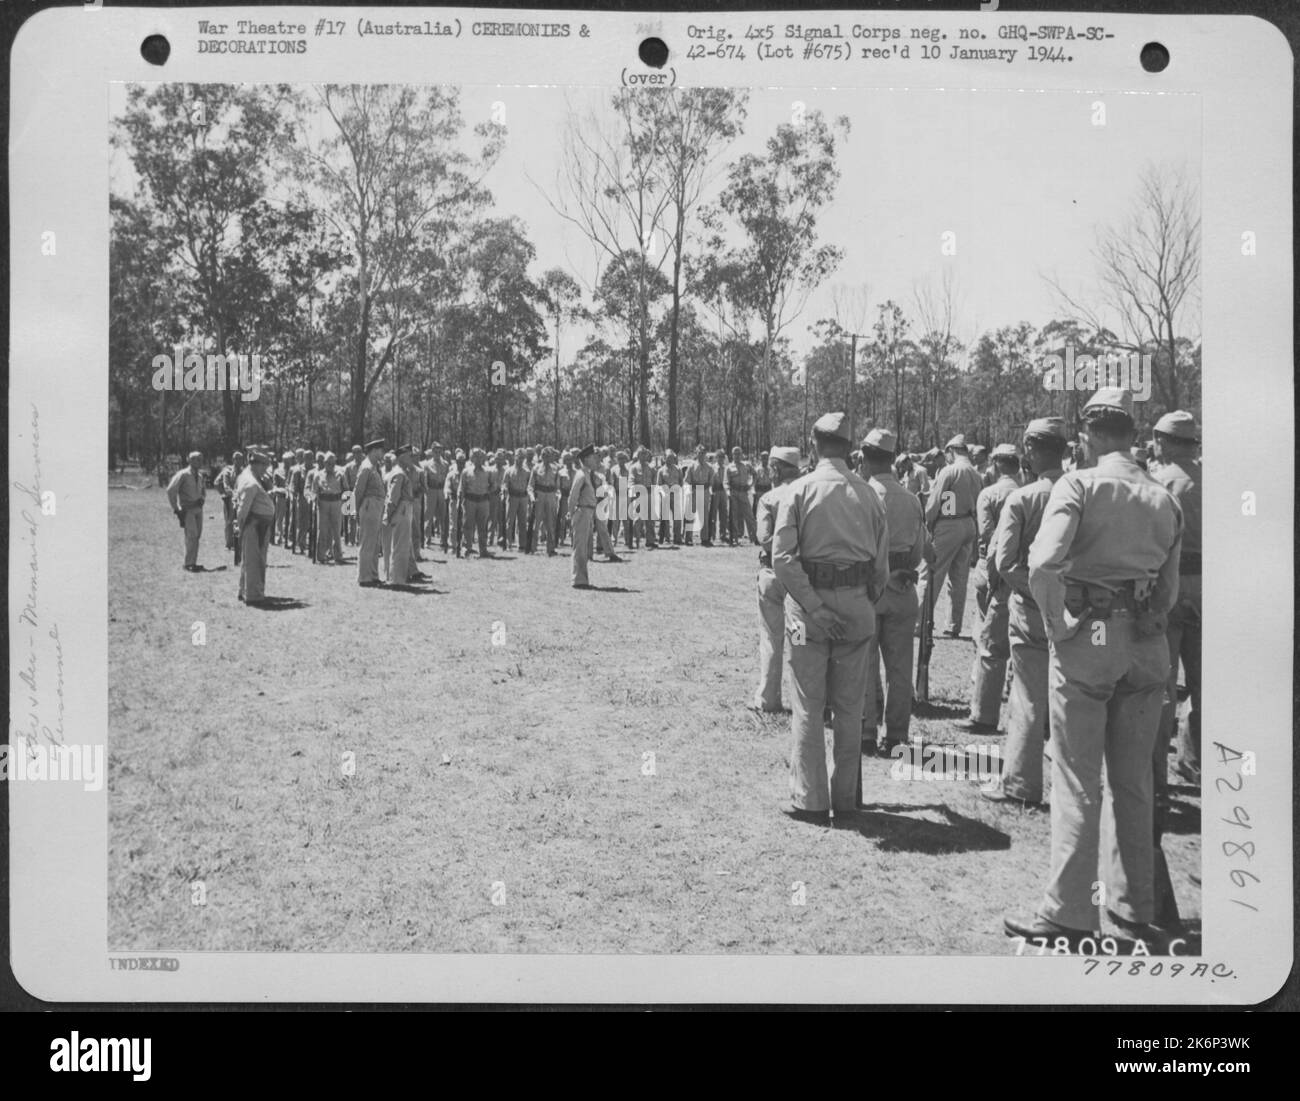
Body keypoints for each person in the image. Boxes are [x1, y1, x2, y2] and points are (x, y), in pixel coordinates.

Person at [1005, 389, 1182, 946]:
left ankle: (1067, 911)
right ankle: (1133, 903)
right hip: (1145, 644)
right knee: (1133, 782)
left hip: (1091, 638)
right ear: (1133, 435)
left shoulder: (1078, 484)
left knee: (1079, 780)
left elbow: (1042, 562)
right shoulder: (1163, 496)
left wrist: (1060, 625)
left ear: (1087, 433)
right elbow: (1169, 591)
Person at [772, 413, 889, 824]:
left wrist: (816, 606)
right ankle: (847, 800)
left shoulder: (799, 490)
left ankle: (811, 800)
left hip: (808, 610)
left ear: (813, 443)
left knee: (808, 702)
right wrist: (857, 599)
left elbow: (782, 558)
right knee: (850, 706)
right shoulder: (869, 493)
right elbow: (881, 566)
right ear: (850, 445)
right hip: (856, 605)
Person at [981, 418, 1069, 807]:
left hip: (1032, 610)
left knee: (1028, 695)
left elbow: (1005, 561)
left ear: (1030, 451)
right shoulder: (1088, 491)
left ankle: (1020, 782)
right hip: (1081, 612)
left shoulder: (1025, 497)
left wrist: (1036, 592)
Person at [858, 429, 929, 756]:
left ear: (864, 457)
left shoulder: (861, 494)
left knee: (864, 664)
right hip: (902, 587)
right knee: (900, 669)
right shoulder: (911, 499)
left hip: (869, 587)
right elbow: (918, 552)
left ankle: (866, 733)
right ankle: (897, 735)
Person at [1149, 411, 1201, 787]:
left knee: (1160, 680)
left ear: (1163, 441)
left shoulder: (1158, 482)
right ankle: (1194, 761)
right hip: (1209, 588)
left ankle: (1153, 767)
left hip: (1169, 583)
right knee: (1203, 682)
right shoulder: (1216, 479)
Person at [957, 443, 1022, 734]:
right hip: (1024, 573)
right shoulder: (1028, 491)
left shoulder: (990, 493)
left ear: (995, 464)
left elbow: (986, 534)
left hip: (993, 567)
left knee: (988, 638)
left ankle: (983, 703)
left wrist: (991, 570)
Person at [751, 446, 802, 712]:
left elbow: (764, 538)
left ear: (775, 469)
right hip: (802, 579)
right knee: (800, 637)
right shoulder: (810, 494)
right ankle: (802, 696)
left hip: (772, 572)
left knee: (772, 636)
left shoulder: (769, 498)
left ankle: (769, 698)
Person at [918, 434, 982, 638]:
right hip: (969, 523)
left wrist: (927, 522)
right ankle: (954, 625)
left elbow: (938, 504)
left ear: (951, 451)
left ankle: (920, 623)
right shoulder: (975, 473)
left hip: (950, 524)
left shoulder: (950, 471)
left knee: (931, 573)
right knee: (959, 578)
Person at [234, 450, 276, 605]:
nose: (266, 469)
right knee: (254, 560)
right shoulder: (250, 482)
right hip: (254, 525)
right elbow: (243, 509)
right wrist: (241, 526)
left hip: (258, 524)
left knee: (251, 559)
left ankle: (245, 590)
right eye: (264, 466)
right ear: (257, 465)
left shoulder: (253, 478)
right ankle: (253, 595)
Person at [383, 445, 426, 585]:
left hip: (404, 508)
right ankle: (397, 579)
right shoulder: (399, 473)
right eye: (408, 456)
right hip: (401, 509)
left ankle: (401, 576)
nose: (411, 459)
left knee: (402, 545)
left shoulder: (400, 472)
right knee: (400, 547)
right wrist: (387, 515)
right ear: (401, 458)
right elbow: (393, 497)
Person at [166, 451, 207, 571]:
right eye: (196, 459)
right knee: (191, 535)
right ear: (189, 460)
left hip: (198, 509)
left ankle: (193, 563)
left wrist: (202, 498)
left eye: (201, 459)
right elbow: (170, 490)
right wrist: (176, 508)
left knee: (197, 535)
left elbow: (203, 490)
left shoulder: (199, 476)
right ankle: (188, 563)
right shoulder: (183, 474)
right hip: (187, 509)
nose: (199, 462)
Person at [354, 440, 387, 587]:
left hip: (376, 506)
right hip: (369, 505)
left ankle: (373, 574)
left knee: (374, 543)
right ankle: (364, 576)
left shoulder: (374, 466)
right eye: (380, 450)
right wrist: (355, 511)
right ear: (373, 451)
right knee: (367, 542)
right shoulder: (366, 467)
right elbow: (358, 490)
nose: (382, 453)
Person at [569, 444, 601, 588]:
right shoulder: (581, 474)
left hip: (588, 512)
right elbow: (573, 496)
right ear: (586, 459)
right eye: (593, 457)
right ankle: (579, 579)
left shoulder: (588, 474)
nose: (596, 460)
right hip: (582, 512)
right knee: (580, 547)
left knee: (584, 547)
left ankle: (582, 578)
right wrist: (572, 513)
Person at [528, 447, 562, 556]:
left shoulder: (556, 469)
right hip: (539, 496)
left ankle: (550, 548)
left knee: (550, 523)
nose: (547, 458)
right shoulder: (536, 468)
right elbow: (530, 486)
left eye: (549, 456)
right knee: (536, 524)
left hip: (551, 496)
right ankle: (532, 547)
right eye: (544, 455)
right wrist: (532, 497)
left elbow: (558, 487)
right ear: (541, 456)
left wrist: (558, 497)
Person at [459, 447, 493, 557]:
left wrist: (487, 493)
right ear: (471, 458)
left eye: (480, 456)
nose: (478, 459)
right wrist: (460, 502)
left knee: (483, 527)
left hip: (483, 501)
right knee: (468, 526)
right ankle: (466, 548)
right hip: (470, 501)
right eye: (475, 456)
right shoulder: (466, 471)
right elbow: (461, 488)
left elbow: (493, 485)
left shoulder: (488, 472)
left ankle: (483, 549)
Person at [217, 451, 245, 562]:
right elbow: (226, 486)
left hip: (242, 498)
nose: (239, 461)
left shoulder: (245, 472)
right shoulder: (227, 471)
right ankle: (229, 544)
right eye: (237, 459)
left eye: (241, 459)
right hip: (230, 499)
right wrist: (234, 494)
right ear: (233, 460)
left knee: (241, 520)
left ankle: (239, 543)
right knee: (229, 521)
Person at [727, 446, 758, 544]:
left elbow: (755, 474)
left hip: (744, 493)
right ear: (732, 455)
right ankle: (735, 538)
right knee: (734, 516)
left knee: (749, 515)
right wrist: (728, 492)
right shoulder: (729, 467)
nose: (737, 456)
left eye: (739, 453)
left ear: (742, 455)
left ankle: (754, 538)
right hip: (734, 493)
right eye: (735, 454)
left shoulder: (747, 465)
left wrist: (751, 485)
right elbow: (726, 482)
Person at [629, 446, 657, 548]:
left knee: (650, 519)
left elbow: (654, 480)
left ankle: (650, 541)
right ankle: (636, 541)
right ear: (638, 455)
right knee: (637, 519)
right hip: (638, 494)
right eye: (641, 454)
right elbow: (631, 481)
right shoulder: (633, 467)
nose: (643, 456)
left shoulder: (650, 467)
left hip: (649, 494)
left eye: (644, 454)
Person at [685, 445, 712, 546]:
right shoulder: (691, 466)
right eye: (699, 453)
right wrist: (689, 490)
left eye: (703, 453)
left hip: (704, 491)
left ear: (705, 454)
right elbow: (686, 480)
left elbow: (712, 480)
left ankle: (704, 538)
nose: (701, 455)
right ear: (696, 454)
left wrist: (708, 489)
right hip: (694, 491)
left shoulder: (709, 467)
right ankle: (688, 538)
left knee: (704, 516)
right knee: (690, 515)